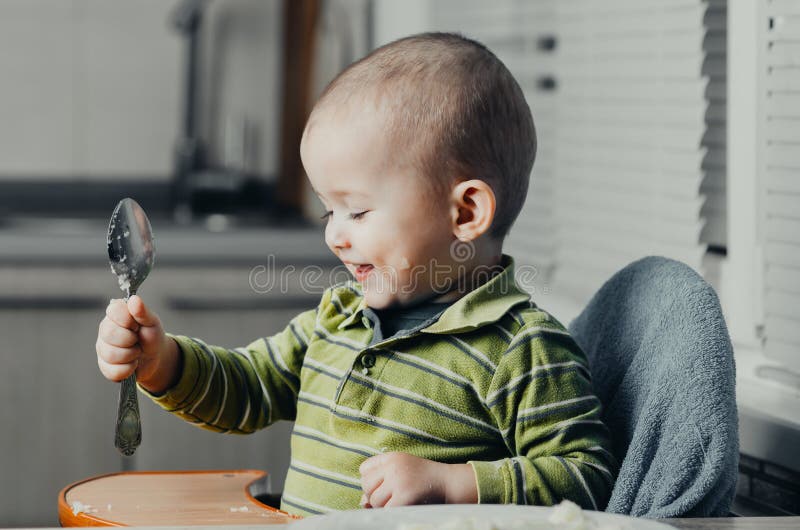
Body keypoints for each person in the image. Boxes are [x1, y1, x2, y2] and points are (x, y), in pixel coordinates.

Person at [96, 32, 616, 517]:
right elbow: (248, 386)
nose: (334, 236)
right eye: (330, 211)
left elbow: (587, 479)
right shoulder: (337, 318)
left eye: (358, 211)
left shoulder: (522, 348)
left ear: (465, 213)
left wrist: (454, 483)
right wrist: (162, 362)